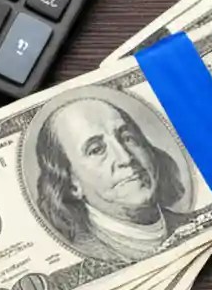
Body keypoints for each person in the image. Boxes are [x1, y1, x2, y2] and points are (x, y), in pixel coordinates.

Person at [34, 97, 189, 266]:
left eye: (128, 138)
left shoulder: (190, 224)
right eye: (96, 150)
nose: (125, 157)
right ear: (72, 185)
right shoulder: (82, 254)